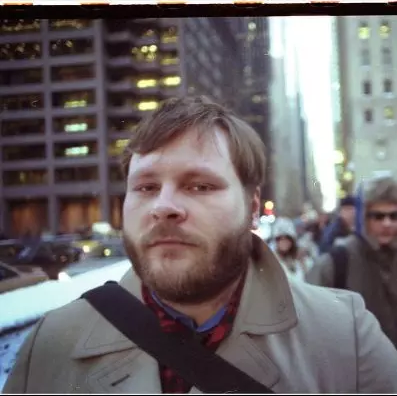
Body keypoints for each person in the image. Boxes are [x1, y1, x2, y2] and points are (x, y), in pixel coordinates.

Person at [4, 96, 397, 394]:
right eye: (146, 187)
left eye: (200, 185)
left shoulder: (347, 337)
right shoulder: (51, 342)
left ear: (252, 206)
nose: (164, 207)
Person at [307, 173, 397, 349]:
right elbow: (311, 323)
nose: (387, 223)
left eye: (394, 216)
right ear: (364, 217)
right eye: (378, 216)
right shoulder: (337, 261)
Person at [269, 217, 312, 281]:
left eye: (287, 239)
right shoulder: (271, 260)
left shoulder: (299, 258)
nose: (284, 242)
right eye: (280, 239)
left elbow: (309, 277)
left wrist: (303, 263)